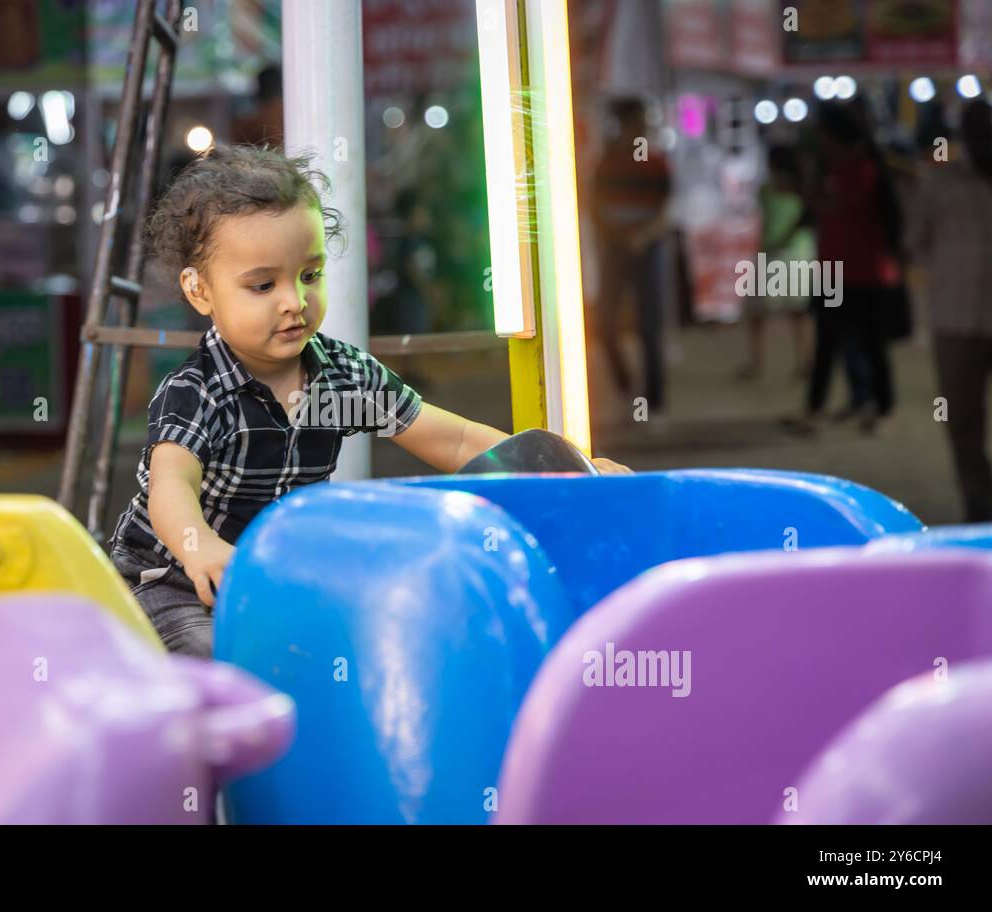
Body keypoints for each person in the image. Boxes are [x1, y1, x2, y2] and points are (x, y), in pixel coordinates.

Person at [108, 145, 630, 656]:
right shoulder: (199, 389)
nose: (295, 302)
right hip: (173, 582)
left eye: (309, 275)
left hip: (275, 576)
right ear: (199, 291)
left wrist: (562, 471)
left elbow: (455, 439)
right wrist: (200, 547)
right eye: (263, 285)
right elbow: (171, 483)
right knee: (223, 661)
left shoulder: (341, 379)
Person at [786, 104, 902, 436]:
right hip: (833, 272)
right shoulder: (834, 171)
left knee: (872, 346)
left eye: (823, 135)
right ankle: (816, 409)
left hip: (865, 274)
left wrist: (801, 193)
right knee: (826, 345)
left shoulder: (863, 170)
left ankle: (883, 408)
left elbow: (833, 207)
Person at [907, 100, 992, 521]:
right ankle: (978, 502)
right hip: (955, 319)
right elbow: (915, 243)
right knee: (961, 417)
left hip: (962, 315)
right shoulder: (940, 186)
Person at [591, 97, 673, 416]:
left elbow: (665, 207)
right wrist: (619, 235)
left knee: (650, 325)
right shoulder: (607, 161)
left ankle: (654, 398)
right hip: (616, 248)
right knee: (605, 324)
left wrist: (643, 235)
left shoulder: (655, 161)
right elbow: (594, 203)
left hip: (646, 248)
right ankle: (627, 387)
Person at [737, 146, 814, 380]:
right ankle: (804, 361)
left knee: (759, 312)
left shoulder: (769, 190)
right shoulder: (804, 189)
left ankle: (757, 362)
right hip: (799, 254)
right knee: (797, 313)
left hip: (775, 254)